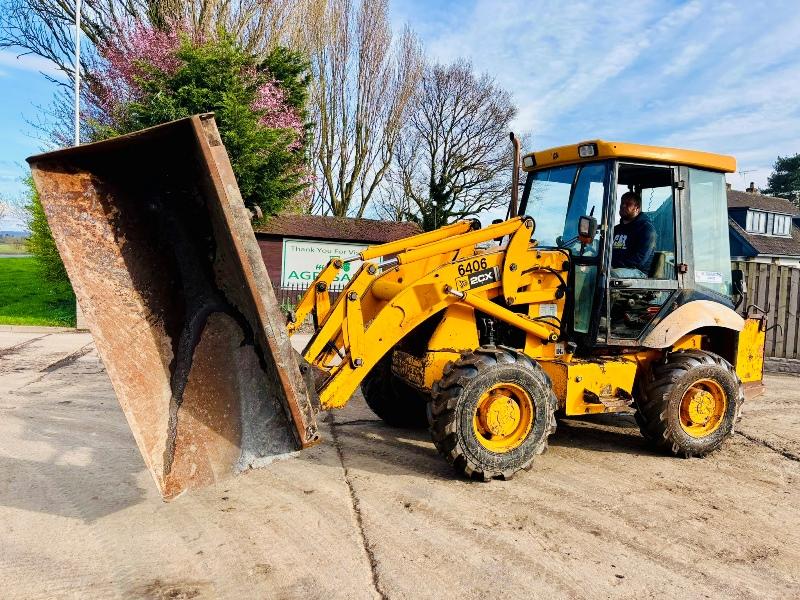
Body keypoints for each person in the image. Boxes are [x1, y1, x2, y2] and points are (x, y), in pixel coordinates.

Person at [611, 191, 656, 278]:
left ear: (637, 208)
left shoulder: (646, 229)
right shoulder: (616, 230)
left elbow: (639, 259)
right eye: (622, 203)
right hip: (615, 268)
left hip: (637, 272)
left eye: (628, 204)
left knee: (608, 275)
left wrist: (613, 264)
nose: (623, 206)